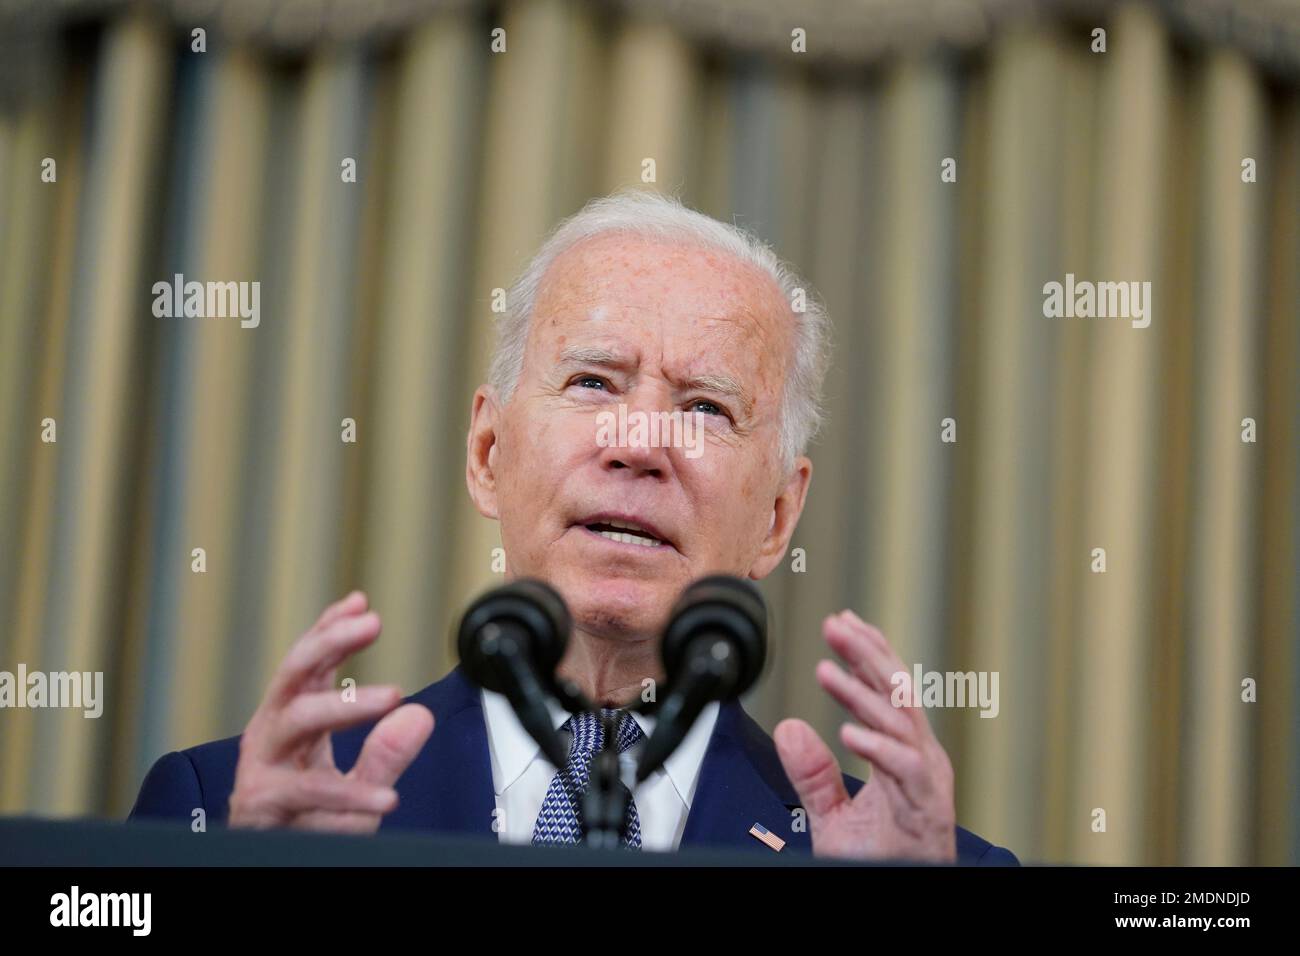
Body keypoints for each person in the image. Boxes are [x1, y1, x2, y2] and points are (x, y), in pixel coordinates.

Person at [131, 189, 1018, 864]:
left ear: (778, 516)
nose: (640, 445)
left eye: (706, 407)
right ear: (487, 451)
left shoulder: (930, 866)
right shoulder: (225, 810)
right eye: (594, 383)